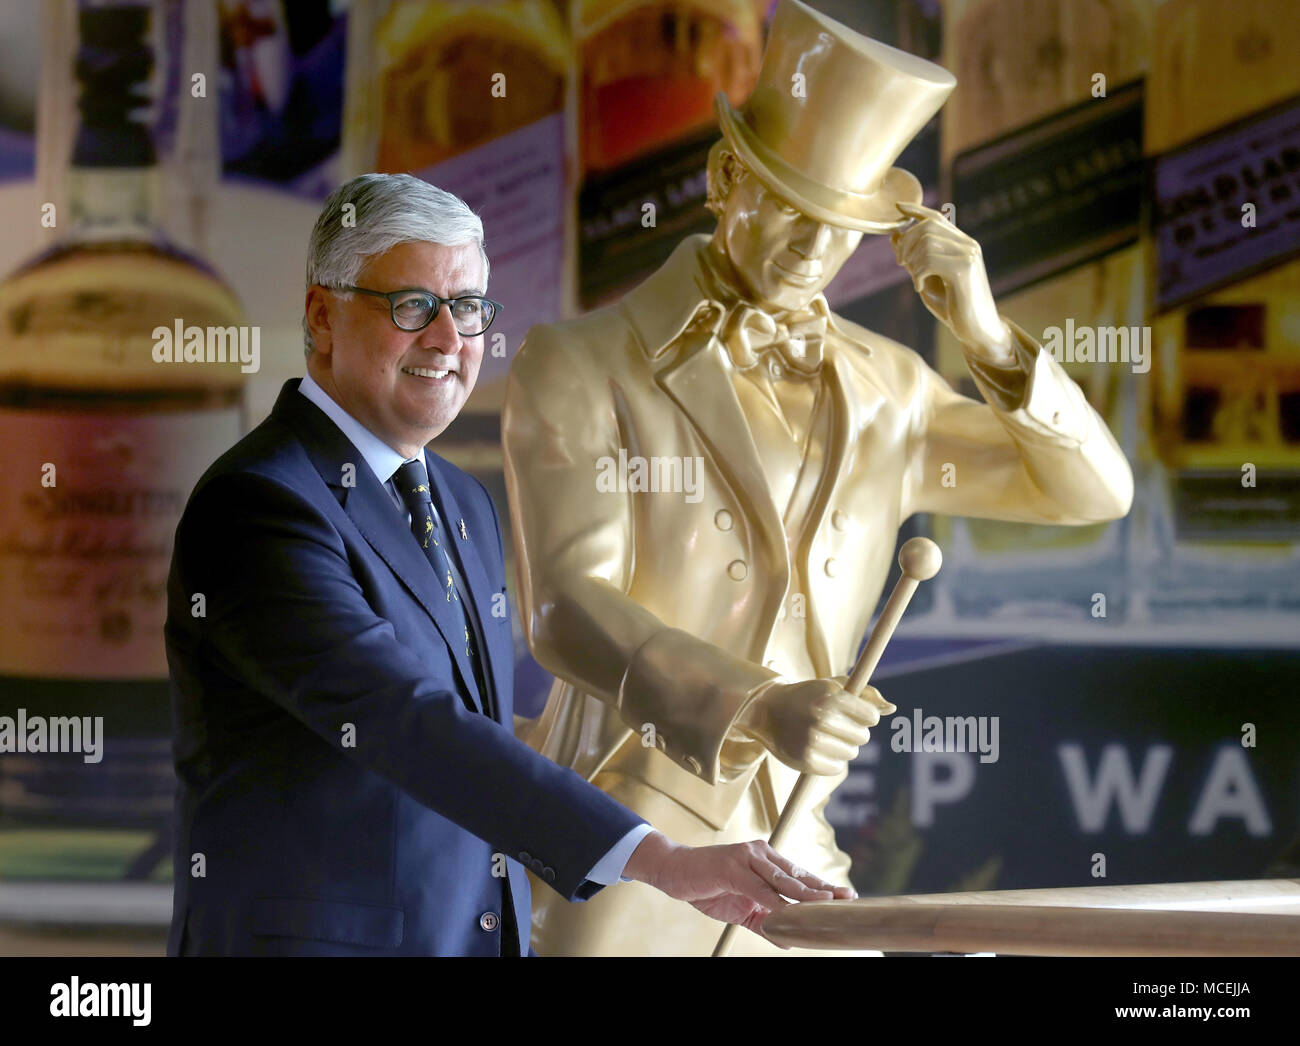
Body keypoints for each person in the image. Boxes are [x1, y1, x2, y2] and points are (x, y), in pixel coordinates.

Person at [502, 0, 1134, 956]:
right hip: (627, 836)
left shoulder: (893, 392)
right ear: (724, 179)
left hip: (796, 842)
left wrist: (988, 338)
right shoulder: (581, 362)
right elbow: (564, 608)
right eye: (790, 210)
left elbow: (1095, 493)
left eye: (841, 227)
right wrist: (756, 706)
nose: (811, 250)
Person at [164, 171, 852, 957]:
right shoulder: (257, 507)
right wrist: (660, 859)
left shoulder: (462, 501)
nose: (449, 341)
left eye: (467, 310)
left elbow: (480, 742)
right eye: (412, 306)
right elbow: (405, 722)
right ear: (323, 315)